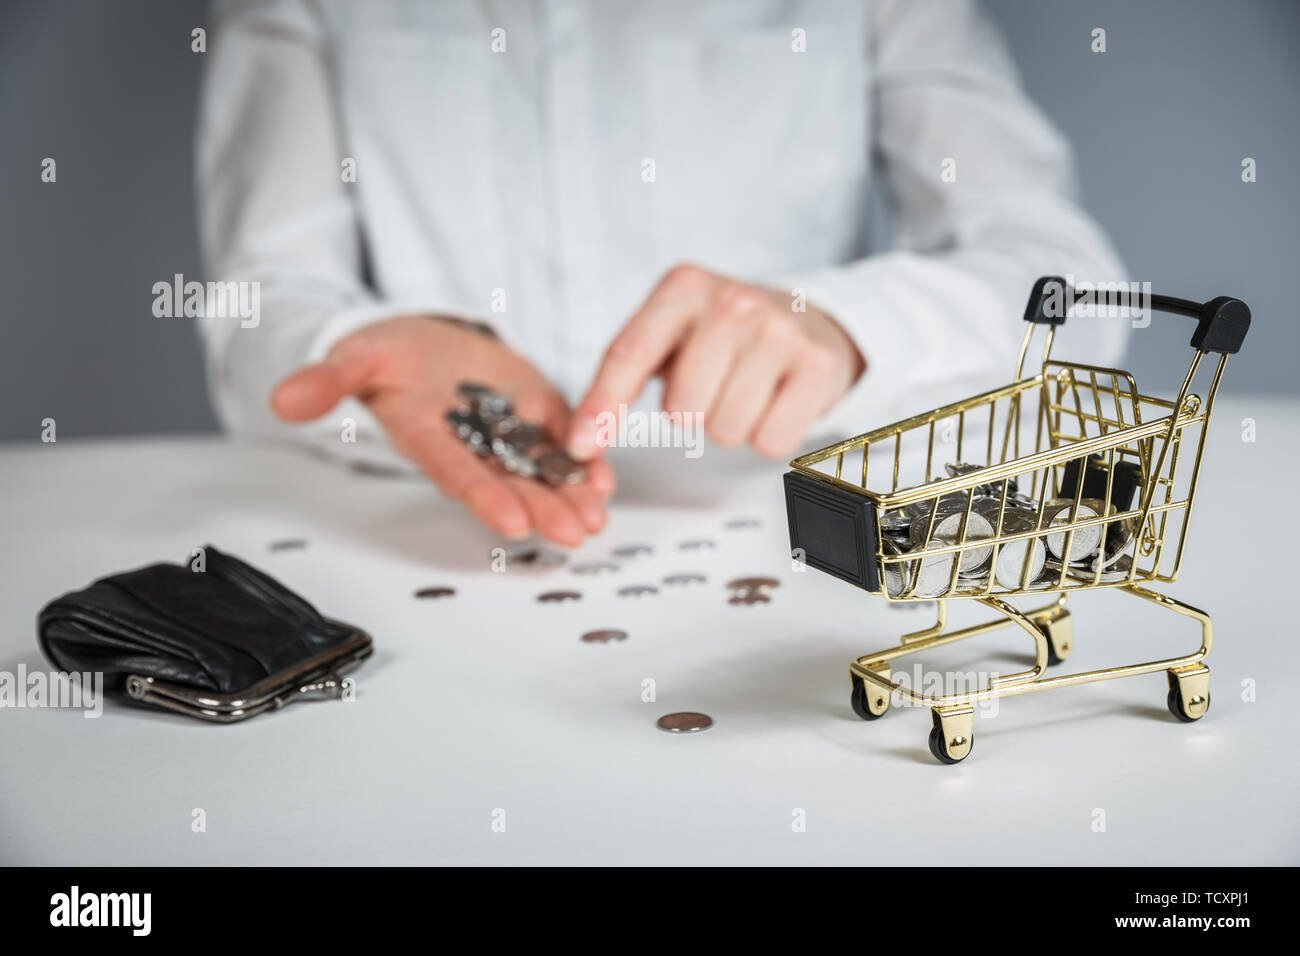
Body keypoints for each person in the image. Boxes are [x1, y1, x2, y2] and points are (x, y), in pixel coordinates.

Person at [196, 0, 1126, 547]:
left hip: (803, 529)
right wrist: (345, 348)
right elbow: (258, 300)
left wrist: (844, 326)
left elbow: (1070, 281)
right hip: (426, 535)